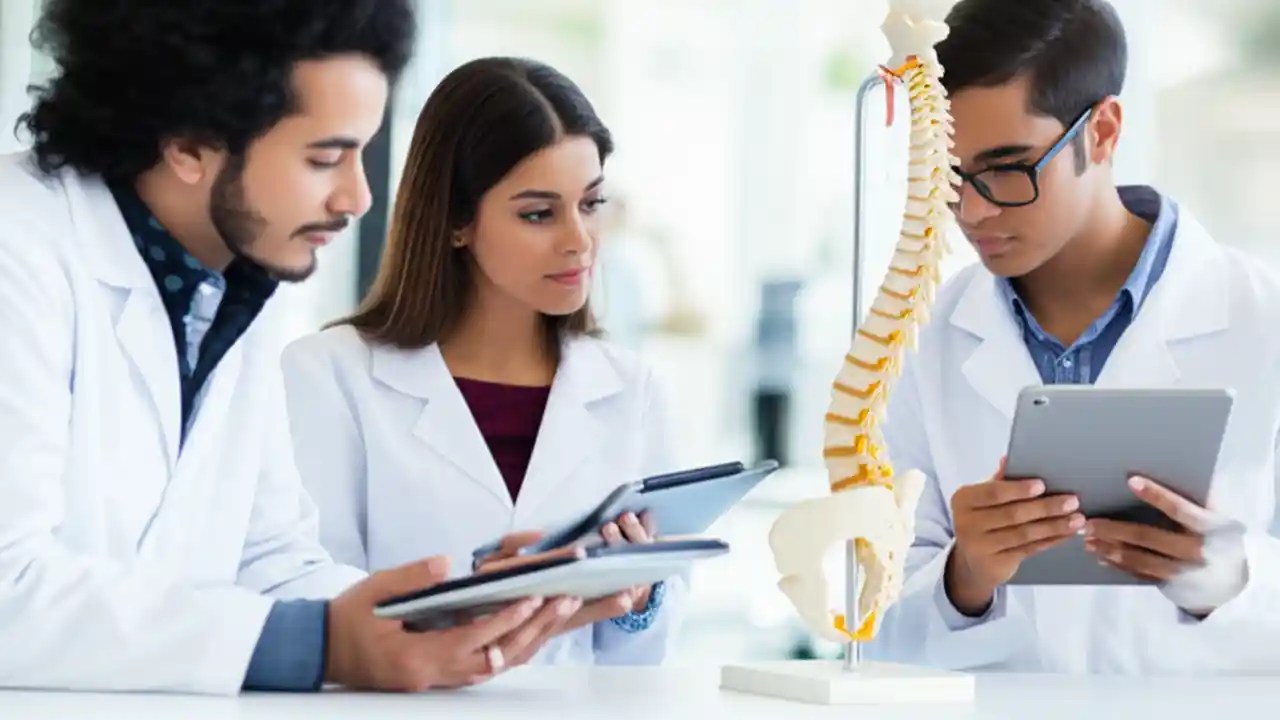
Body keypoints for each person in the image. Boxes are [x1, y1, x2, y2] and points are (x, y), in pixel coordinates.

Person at [0, 0, 574, 695]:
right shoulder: (20, 248)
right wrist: (327, 646)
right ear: (187, 143)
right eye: (325, 157)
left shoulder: (234, 277)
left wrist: (454, 610)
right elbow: (10, 588)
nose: (359, 197)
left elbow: (269, 558)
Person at [868, 0, 1280, 673]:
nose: (972, 211)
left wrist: (1231, 582)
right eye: (950, 176)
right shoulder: (925, 338)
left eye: (1007, 168)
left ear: (1104, 131)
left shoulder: (1265, 323)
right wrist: (965, 576)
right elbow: (871, 627)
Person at [281, 57, 686, 666]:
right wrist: (473, 601)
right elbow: (301, 590)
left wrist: (641, 593)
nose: (578, 239)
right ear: (455, 222)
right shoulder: (329, 376)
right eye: (538, 213)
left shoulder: (632, 388)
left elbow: (649, 654)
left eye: (592, 202)